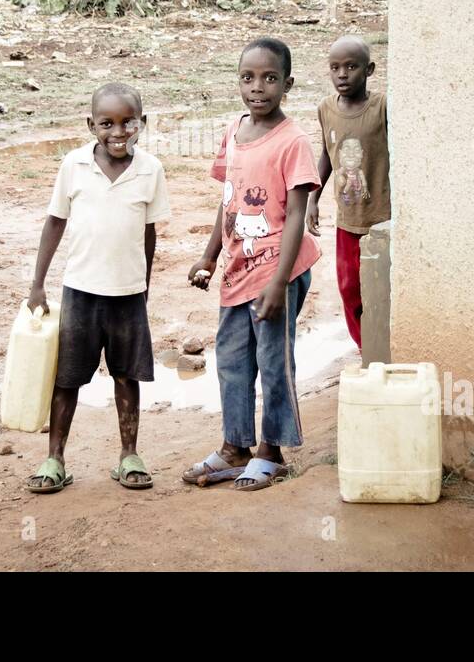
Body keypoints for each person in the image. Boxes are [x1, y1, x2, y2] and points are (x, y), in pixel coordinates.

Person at [186, 38, 321, 490]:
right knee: (231, 358)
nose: (257, 87)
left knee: (272, 359)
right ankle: (234, 446)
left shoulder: (293, 142)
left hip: (277, 272)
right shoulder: (234, 130)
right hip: (237, 269)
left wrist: (280, 284)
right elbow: (228, 200)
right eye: (248, 77)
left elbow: (298, 216)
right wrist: (209, 254)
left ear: (287, 83)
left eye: (269, 78)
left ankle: (273, 450)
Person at [25, 82, 170, 494]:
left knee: (127, 376)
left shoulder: (151, 170)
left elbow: (149, 232)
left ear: (143, 124)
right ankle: (55, 458)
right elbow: (55, 222)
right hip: (80, 291)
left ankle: (129, 455)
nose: (119, 132)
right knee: (66, 378)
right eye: (107, 123)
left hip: (127, 294)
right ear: (91, 125)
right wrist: (37, 285)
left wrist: (144, 284)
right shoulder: (73, 166)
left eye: (129, 123)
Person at [306, 36, 391, 351]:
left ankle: (385, 342)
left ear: (368, 69)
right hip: (347, 221)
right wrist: (313, 197)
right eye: (335, 68)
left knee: (381, 287)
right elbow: (328, 154)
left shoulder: (382, 107)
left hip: (382, 219)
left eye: (351, 67)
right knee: (349, 286)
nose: (342, 74)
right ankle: (365, 347)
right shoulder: (326, 109)